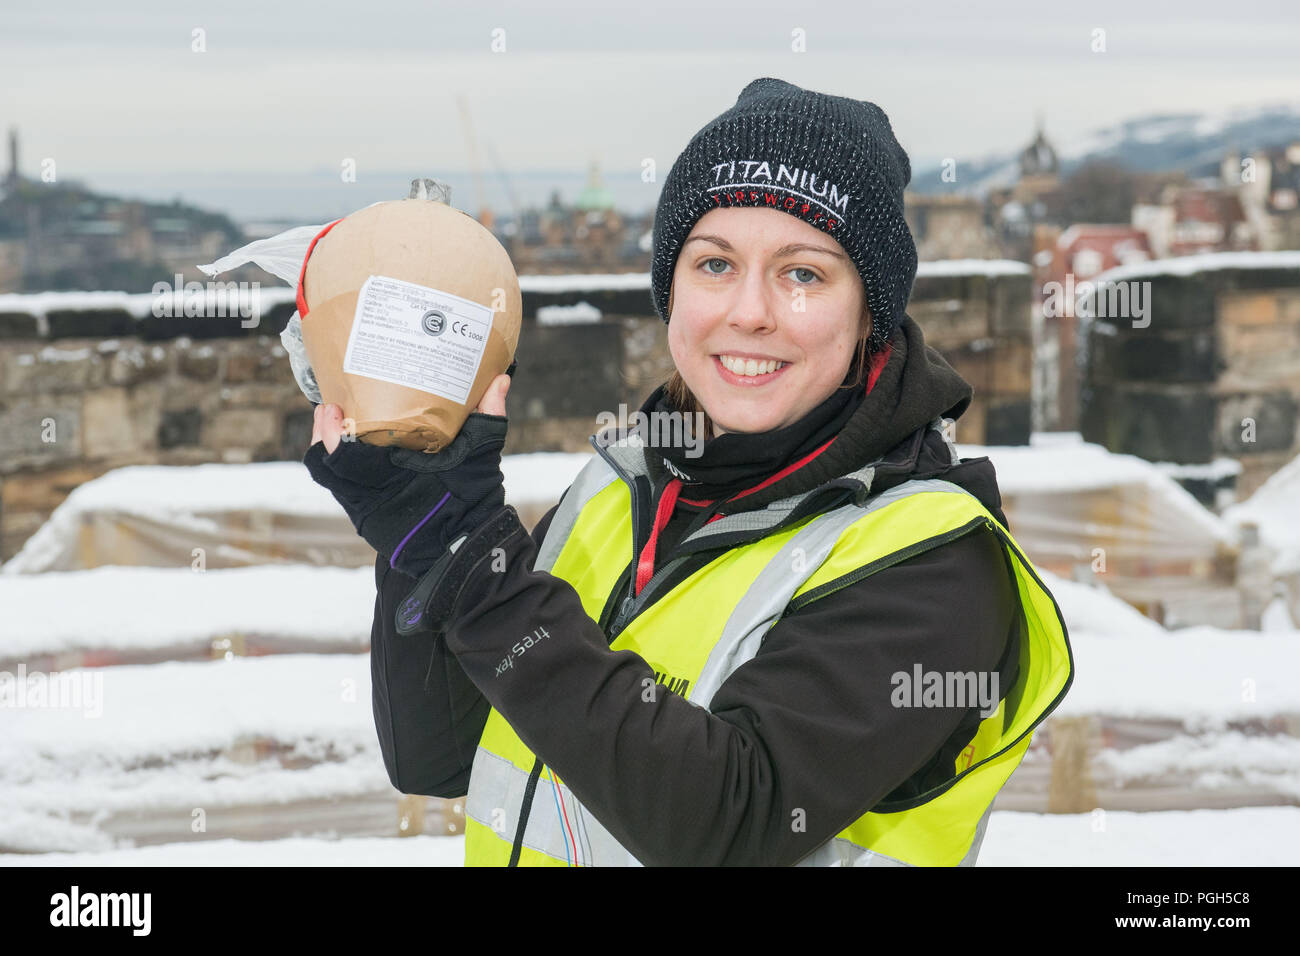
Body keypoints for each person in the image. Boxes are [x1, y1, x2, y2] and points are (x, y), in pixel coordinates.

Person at [305, 77, 1074, 867]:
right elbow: (437, 757)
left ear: (869, 314)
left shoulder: (932, 557)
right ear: (669, 291)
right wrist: (420, 542)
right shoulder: (623, 485)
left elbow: (731, 824)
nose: (749, 312)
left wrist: (474, 565)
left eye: (803, 273)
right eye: (714, 264)